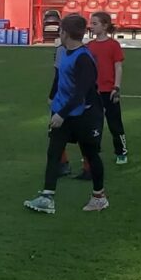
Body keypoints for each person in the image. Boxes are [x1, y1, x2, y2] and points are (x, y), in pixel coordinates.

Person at [23, 14, 108, 215]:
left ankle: (99, 197)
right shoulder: (64, 52)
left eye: (60, 30)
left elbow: (81, 93)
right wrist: (54, 99)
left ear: (65, 33)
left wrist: (61, 114)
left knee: (91, 155)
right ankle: (47, 196)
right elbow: (62, 80)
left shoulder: (84, 58)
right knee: (53, 152)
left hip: (84, 116)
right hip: (64, 112)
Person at [86, 11, 128, 164]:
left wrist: (116, 88)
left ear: (105, 26)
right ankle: (92, 152)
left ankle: (121, 151)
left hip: (109, 91)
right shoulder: (89, 46)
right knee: (93, 124)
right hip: (93, 92)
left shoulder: (113, 45)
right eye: (91, 23)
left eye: (95, 23)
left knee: (115, 123)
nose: (91, 26)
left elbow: (118, 67)